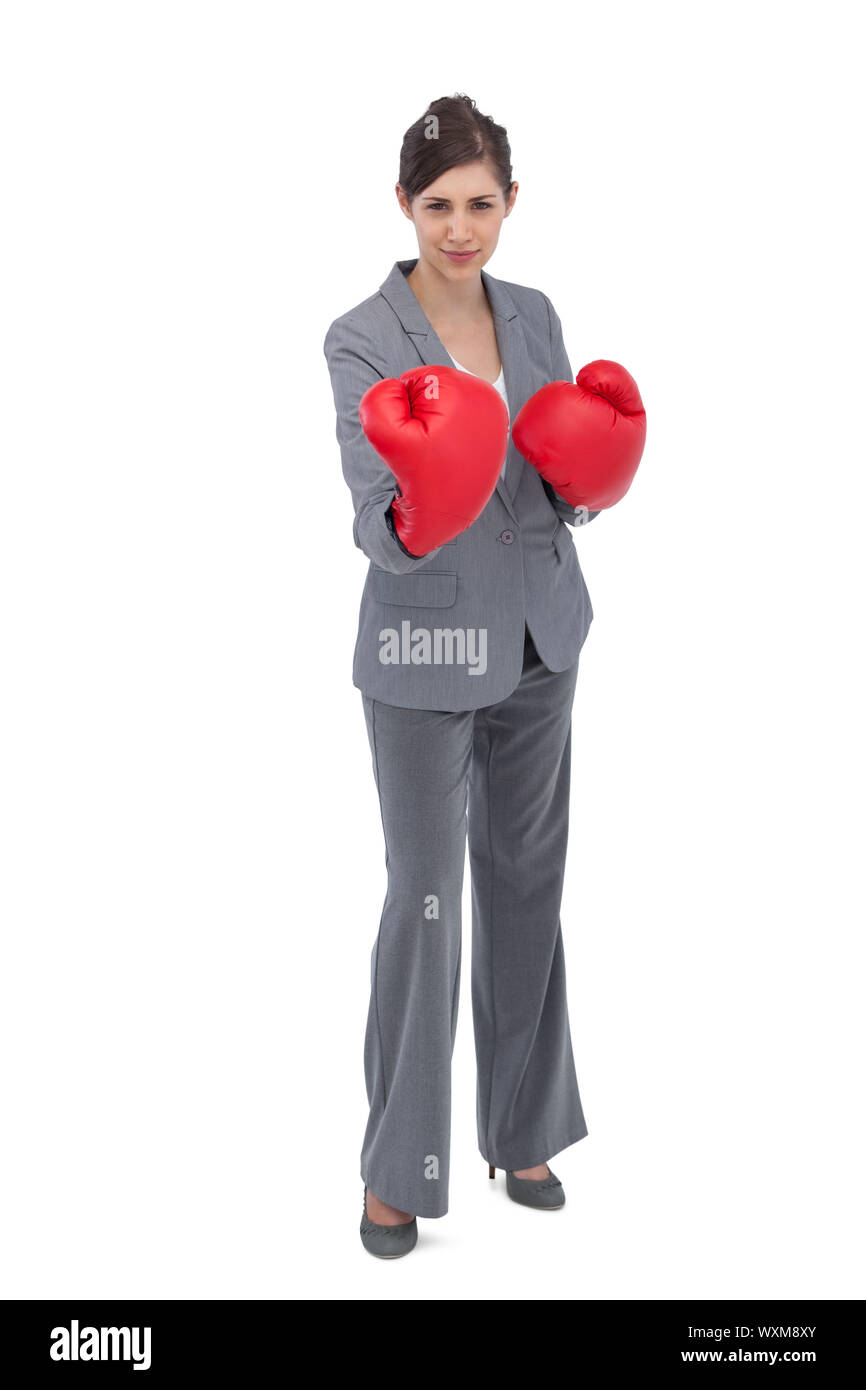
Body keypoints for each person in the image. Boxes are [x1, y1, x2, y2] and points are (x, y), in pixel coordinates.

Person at [323, 93, 601, 1259]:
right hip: (422, 646)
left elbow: (556, 481)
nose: (459, 226)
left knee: (527, 887)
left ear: (509, 203)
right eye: (437, 204)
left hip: (539, 634)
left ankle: (519, 1131)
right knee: (426, 904)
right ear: (404, 205)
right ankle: (401, 1166)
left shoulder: (534, 315)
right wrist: (421, 493)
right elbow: (376, 521)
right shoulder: (361, 336)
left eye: (480, 203)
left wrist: (593, 472)